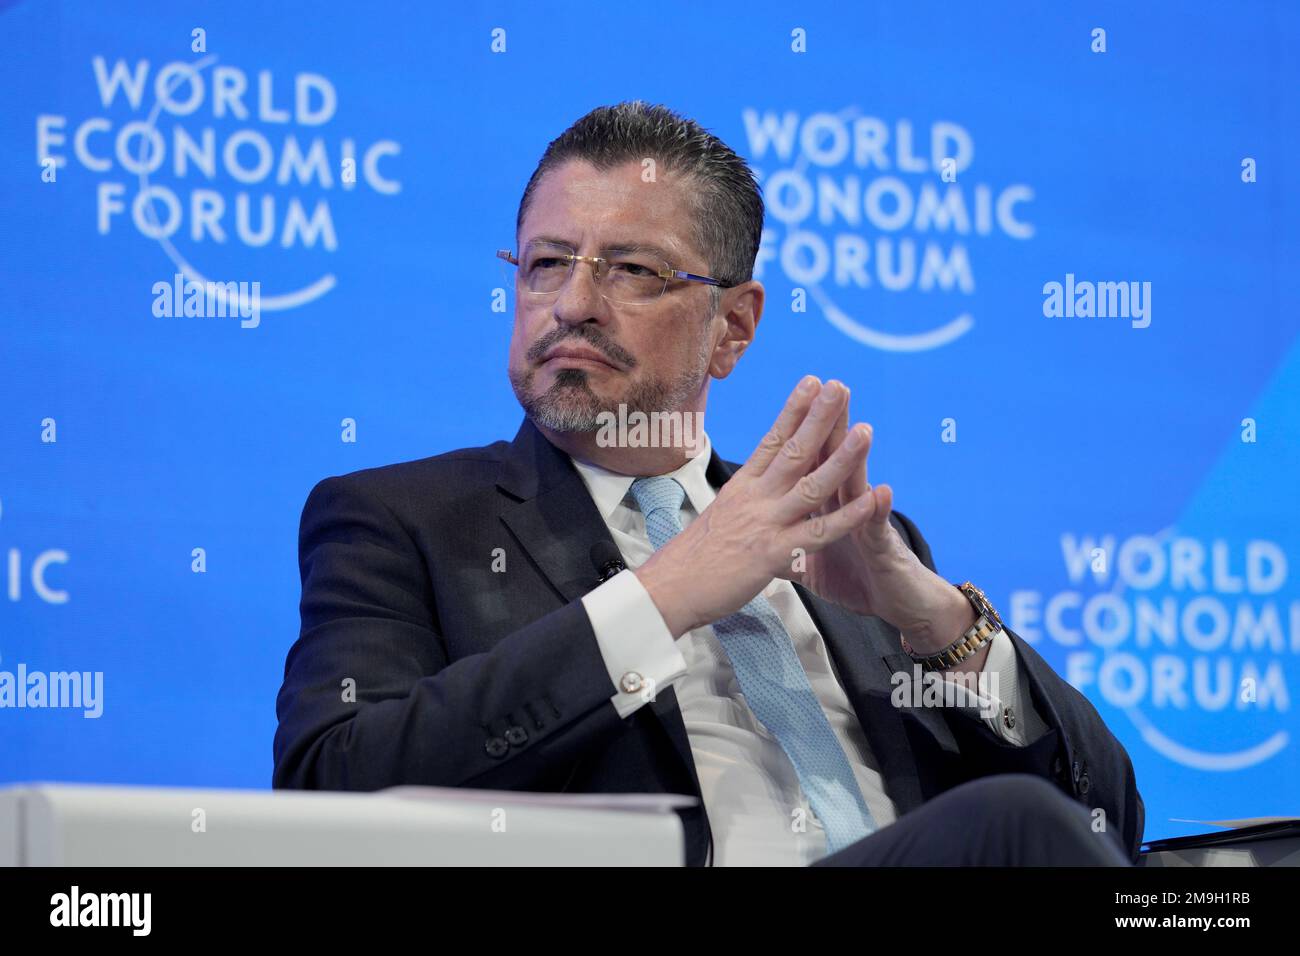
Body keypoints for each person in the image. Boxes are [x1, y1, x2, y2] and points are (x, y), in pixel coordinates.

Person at [273, 101, 1142, 867]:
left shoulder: (845, 546)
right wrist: (664, 595)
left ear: (733, 327)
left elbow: (1108, 826)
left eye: (631, 270)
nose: (572, 303)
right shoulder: (405, 522)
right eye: (546, 263)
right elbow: (331, 787)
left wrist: (938, 622)